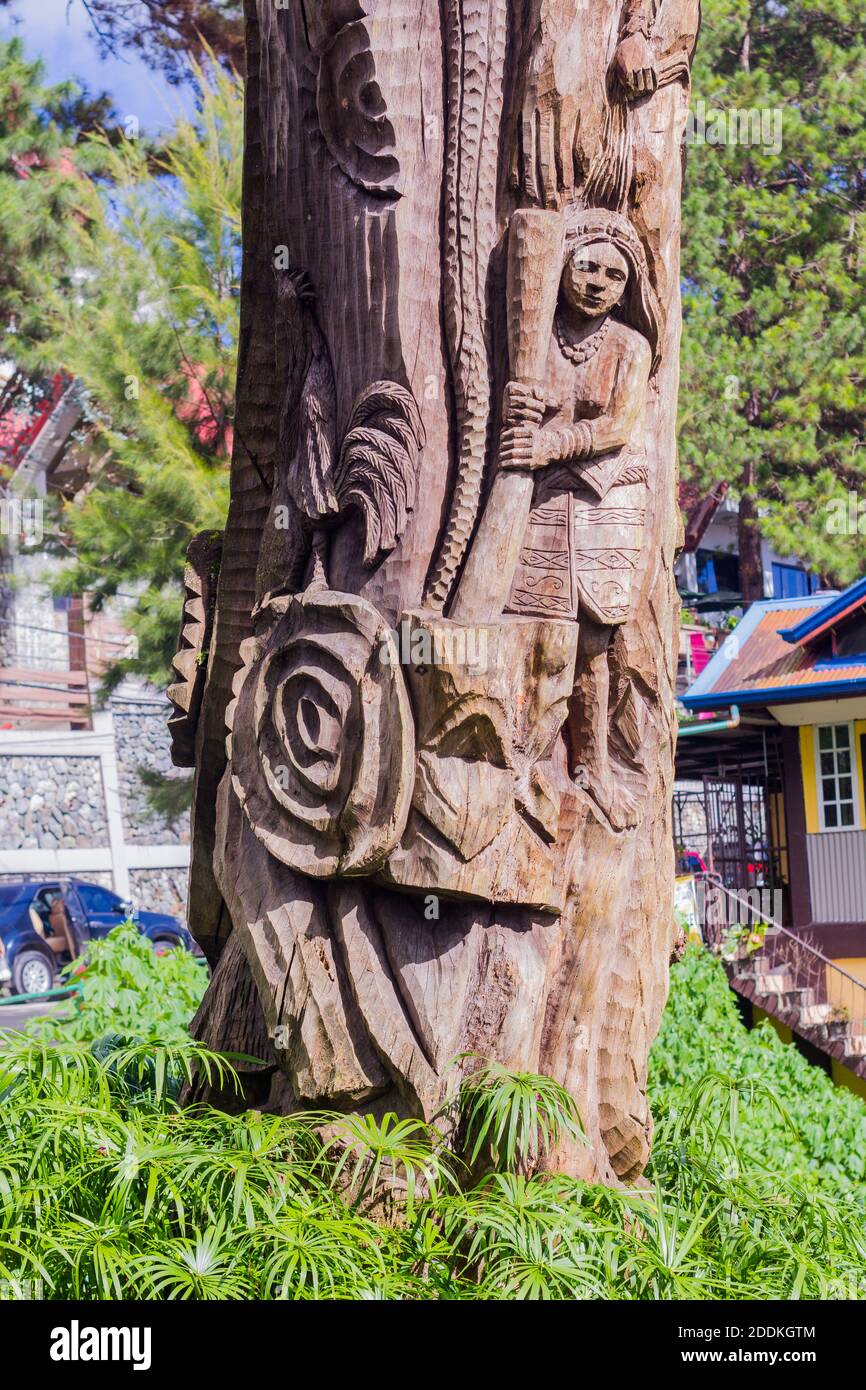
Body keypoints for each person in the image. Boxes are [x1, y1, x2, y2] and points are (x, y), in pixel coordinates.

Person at [499, 205, 661, 829]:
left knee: (595, 639)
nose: (596, 282)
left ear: (627, 289)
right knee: (536, 629)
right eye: (586, 266)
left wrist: (548, 444)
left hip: (606, 498)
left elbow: (619, 425)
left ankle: (591, 761)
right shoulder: (532, 334)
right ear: (563, 265)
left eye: (612, 276)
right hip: (539, 498)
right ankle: (522, 757)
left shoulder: (629, 345)